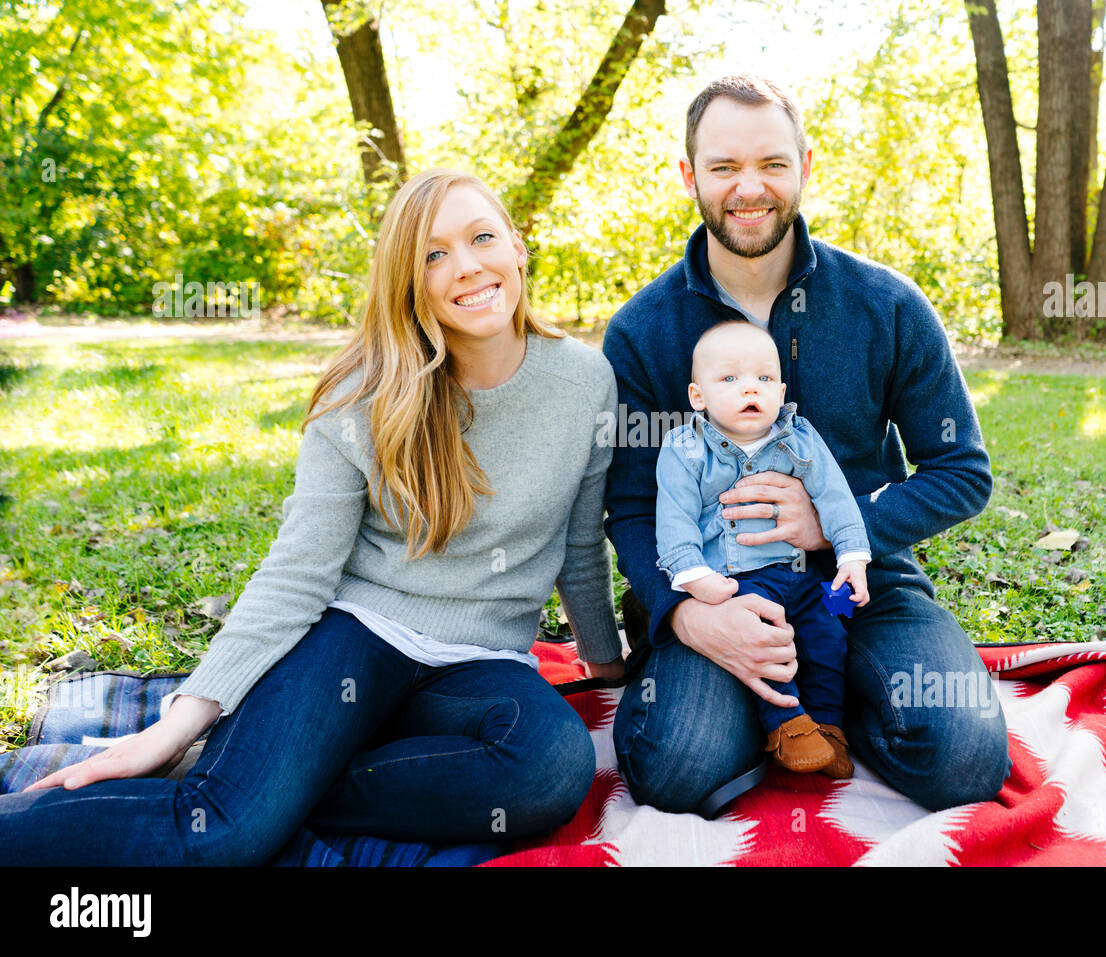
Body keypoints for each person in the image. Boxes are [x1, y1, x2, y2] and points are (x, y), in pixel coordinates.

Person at [0, 169, 625, 865]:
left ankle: (271, 785)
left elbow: (578, 543)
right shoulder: (366, 392)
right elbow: (297, 571)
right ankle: (235, 788)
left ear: (517, 245)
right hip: (353, 638)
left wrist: (607, 665)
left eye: (482, 237)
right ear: (409, 280)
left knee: (547, 767)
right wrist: (171, 730)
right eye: (434, 253)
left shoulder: (584, 380)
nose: (467, 265)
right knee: (223, 833)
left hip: (479, 669)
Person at [603, 75, 1012, 814]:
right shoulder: (644, 329)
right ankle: (783, 695)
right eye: (724, 167)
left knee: (965, 760)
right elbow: (630, 509)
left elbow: (961, 471)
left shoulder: (886, 304)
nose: (749, 188)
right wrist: (688, 615)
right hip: (722, 588)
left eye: (772, 163)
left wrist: (836, 521)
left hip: (866, 579)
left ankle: (840, 683)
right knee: (676, 766)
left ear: (806, 166)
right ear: (689, 175)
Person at [655, 320, 869, 777]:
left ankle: (828, 726)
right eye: (729, 379)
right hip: (739, 583)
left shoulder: (800, 438)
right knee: (766, 646)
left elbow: (836, 499)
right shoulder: (684, 448)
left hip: (802, 572)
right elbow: (673, 520)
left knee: (827, 640)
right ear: (698, 396)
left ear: (781, 389)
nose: (749, 389)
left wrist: (851, 555)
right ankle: (786, 725)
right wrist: (694, 577)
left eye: (763, 379)